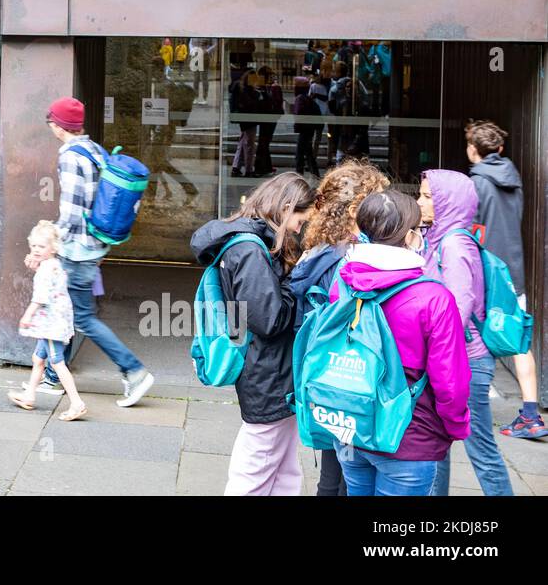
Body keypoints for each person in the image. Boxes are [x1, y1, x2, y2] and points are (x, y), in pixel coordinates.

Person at [330, 191, 471, 496]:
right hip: (409, 436)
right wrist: (456, 426)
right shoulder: (434, 298)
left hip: (350, 424)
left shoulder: (342, 283)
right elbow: (450, 381)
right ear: (409, 236)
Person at [190, 171, 315, 495]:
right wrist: (297, 279)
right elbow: (269, 319)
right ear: (286, 207)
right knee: (254, 471)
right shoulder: (249, 250)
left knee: (283, 469)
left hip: (271, 371)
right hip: (267, 374)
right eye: (300, 219)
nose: (300, 228)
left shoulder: (250, 243)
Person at [33, 97, 155, 407]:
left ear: (58, 126)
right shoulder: (94, 150)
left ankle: (134, 370)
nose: (50, 126)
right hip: (94, 245)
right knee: (64, 310)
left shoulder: (72, 157)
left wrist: (49, 245)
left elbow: (72, 211)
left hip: (76, 251)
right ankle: (51, 377)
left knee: (82, 318)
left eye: (51, 121)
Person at [289, 158, 390, 495]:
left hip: (324, 377)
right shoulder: (352, 260)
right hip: (350, 379)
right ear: (356, 209)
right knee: (345, 478)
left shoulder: (318, 249)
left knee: (333, 474)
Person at [419, 169, 515, 496]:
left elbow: (459, 309)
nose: (420, 202)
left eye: (428, 197)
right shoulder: (438, 238)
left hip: (464, 362)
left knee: (480, 449)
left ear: (449, 202)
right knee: (436, 446)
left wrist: (432, 351)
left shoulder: (454, 245)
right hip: (453, 359)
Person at [466, 120, 546, 439]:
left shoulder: (476, 183)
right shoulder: (514, 179)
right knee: (518, 341)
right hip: (514, 270)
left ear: (474, 150)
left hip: (488, 272)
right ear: (499, 149)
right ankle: (531, 414)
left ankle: (473, 410)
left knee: (473, 334)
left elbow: (475, 230)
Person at [9, 221, 87, 421]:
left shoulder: (45, 269)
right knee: (38, 359)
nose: (36, 249)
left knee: (58, 363)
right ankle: (29, 395)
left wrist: (27, 315)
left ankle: (77, 403)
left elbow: (41, 297)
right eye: (33, 245)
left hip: (51, 326)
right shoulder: (53, 264)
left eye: (41, 247)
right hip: (54, 322)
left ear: (52, 248)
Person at [229, 69, 262, 178]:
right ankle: (248, 170)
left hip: (245, 119)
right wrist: (257, 96)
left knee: (243, 142)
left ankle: (236, 167)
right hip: (249, 119)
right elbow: (249, 104)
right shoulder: (247, 90)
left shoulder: (241, 87)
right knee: (249, 145)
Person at [254, 66, 284, 177]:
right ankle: (266, 166)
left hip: (269, 118)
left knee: (263, 142)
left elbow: (273, 103)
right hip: (268, 118)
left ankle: (261, 167)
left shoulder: (273, 88)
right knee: (264, 142)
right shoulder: (266, 87)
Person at [292, 76, 322, 177]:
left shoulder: (300, 98)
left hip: (304, 130)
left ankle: (299, 176)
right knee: (308, 153)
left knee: (300, 154)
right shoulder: (307, 99)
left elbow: (298, 113)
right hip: (309, 129)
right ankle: (315, 174)